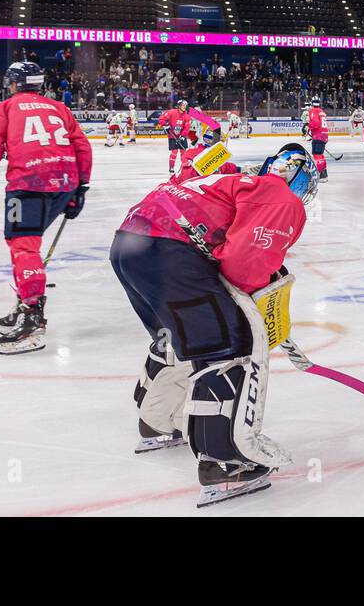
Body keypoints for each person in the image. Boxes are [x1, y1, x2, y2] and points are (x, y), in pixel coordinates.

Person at [110, 142, 318, 507]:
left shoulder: (229, 176)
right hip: (171, 253)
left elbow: (183, 176)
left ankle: (156, 422)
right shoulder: (279, 194)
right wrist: (258, 303)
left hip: (130, 244)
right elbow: (244, 263)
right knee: (229, 346)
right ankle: (225, 464)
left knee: (177, 338)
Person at [0, 61, 92, 354]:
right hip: (64, 183)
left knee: (23, 246)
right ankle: (25, 302)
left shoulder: (6, 108)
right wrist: (80, 188)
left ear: (14, 83)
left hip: (29, 184)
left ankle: (32, 316)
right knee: (27, 245)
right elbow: (82, 147)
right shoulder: (58, 108)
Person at [156, 100, 192, 173]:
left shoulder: (187, 116)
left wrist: (183, 135)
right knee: (174, 152)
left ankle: (184, 168)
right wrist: (166, 125)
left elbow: (187, 127)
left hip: (181, 136)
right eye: (183, 105)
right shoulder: (172, 112)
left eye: (185, 105)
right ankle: (171, 168)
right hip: (172, 135)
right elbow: (161, 118)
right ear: (179, 106)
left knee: (183, 153)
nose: (184, 107)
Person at [304, 96, 329, 181]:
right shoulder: (322, 111)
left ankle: (322, 175)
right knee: (320, 155)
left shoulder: (313, 111)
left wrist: (308, 127)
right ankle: (324, 174)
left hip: (318, 135)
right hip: (324, 135)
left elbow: (315, 124)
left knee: (317, 155)